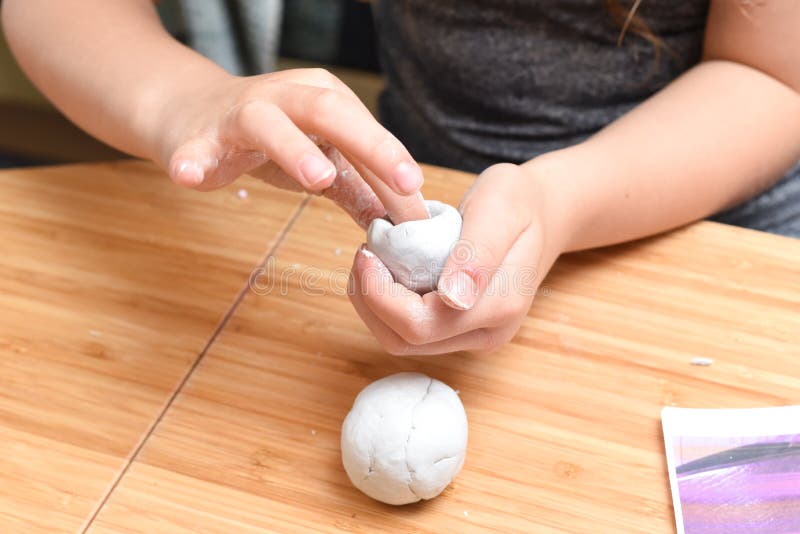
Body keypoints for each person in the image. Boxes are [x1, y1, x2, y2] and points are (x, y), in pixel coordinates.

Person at [4, 1, 799, 356]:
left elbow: (773, 78)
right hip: (426, 182)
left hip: (721, 249)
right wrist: (186, 101)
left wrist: (558, 201)